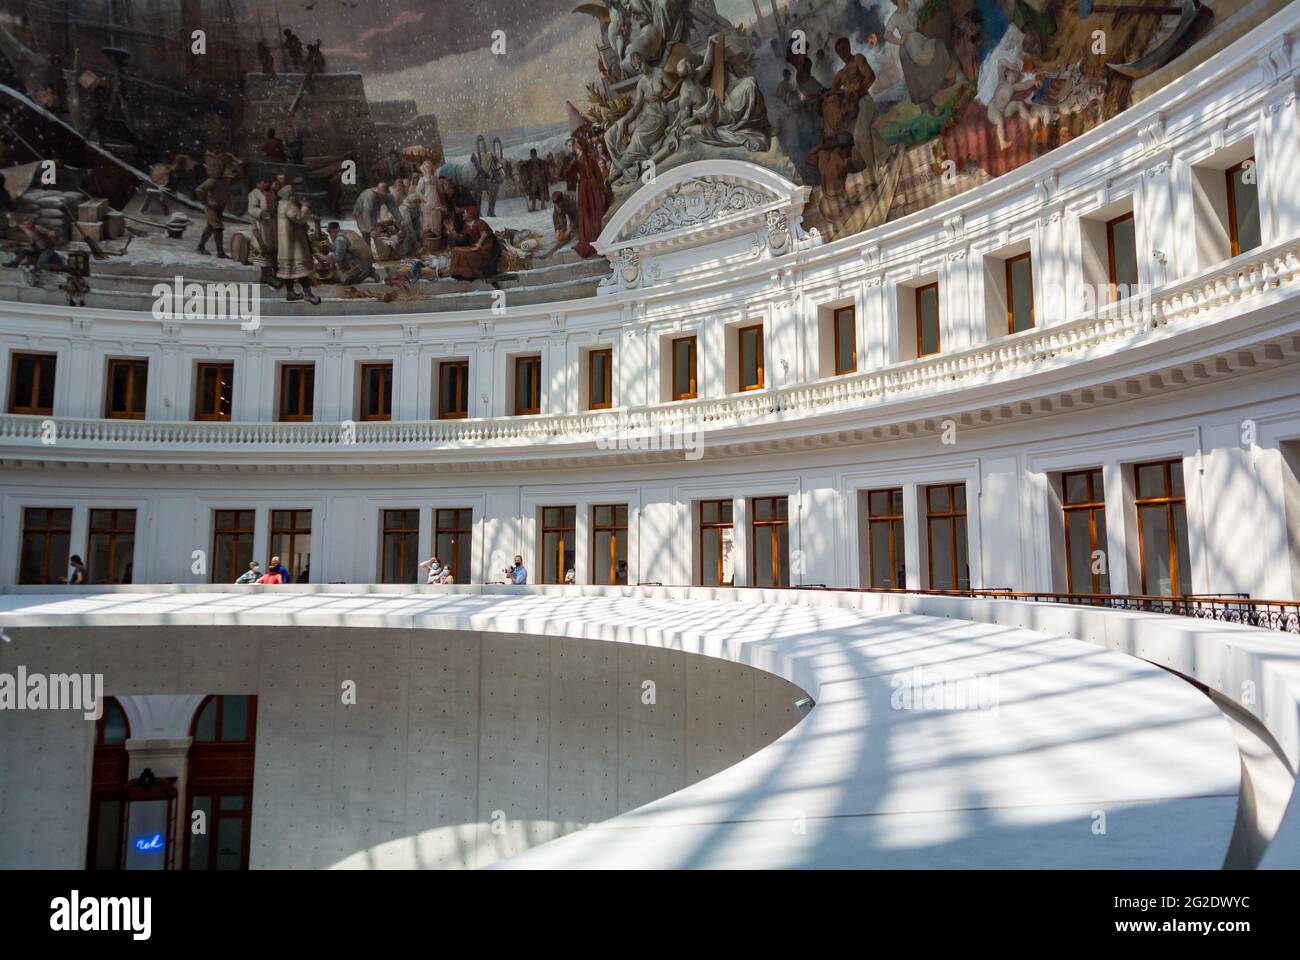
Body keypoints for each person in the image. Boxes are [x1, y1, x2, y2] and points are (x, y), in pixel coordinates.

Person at [277, 186, 321, 304]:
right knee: (301, 269)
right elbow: (299, 218)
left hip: (286, 243)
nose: (296, 197)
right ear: (290, 196)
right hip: (293, 243)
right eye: (294, 195)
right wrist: (306, 207)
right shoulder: (288, 205)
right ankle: (308, 294)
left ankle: (290, 292)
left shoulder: (280, 204)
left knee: (288, 269)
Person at [447, 204, 500, 281]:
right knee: (456, 250)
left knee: (468, 252)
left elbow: (484, 234)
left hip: (486, 247)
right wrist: (452, 231)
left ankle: (471, 274)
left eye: (465, 212)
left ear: (471, 213)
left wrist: (479, 244)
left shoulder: (479, 222)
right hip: (475, 246)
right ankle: (459, 273)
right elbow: (461, 238)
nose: (463, 214)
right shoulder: (466, 226)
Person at [247, 177, 282, 289]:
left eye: (268, 181)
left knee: (273, 248)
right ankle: (267, 276)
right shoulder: (254, 194)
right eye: (264, 182)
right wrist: (262, 213)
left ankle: (275, 274)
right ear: (258, 183)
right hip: (260, 225)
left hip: (272, 224)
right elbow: (251, 209)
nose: (266, 183)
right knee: (263, 247)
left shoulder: (271, 193)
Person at [194, 167, 236, 258]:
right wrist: (206, 202)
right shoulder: (212, 181)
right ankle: (220, 252)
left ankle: (200, 246)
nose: (230, 180)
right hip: (210, 208)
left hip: (219, 208)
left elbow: (225, 196)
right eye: (228, 178)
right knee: (218, 228)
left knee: (210, 227)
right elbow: (199, 190)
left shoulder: (227, 185)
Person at [351, 183, 401, 251]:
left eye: (384, 194)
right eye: (381, 194)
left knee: (376, 231)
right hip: (361, 213)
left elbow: (393, 207)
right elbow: (366, 213)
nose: (383, 196)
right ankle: (367, 252)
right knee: (366, 232)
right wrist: (370, 229)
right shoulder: (369, 196)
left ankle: (381, 251)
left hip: (373, 212)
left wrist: (400, 219)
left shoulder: (387, 195)